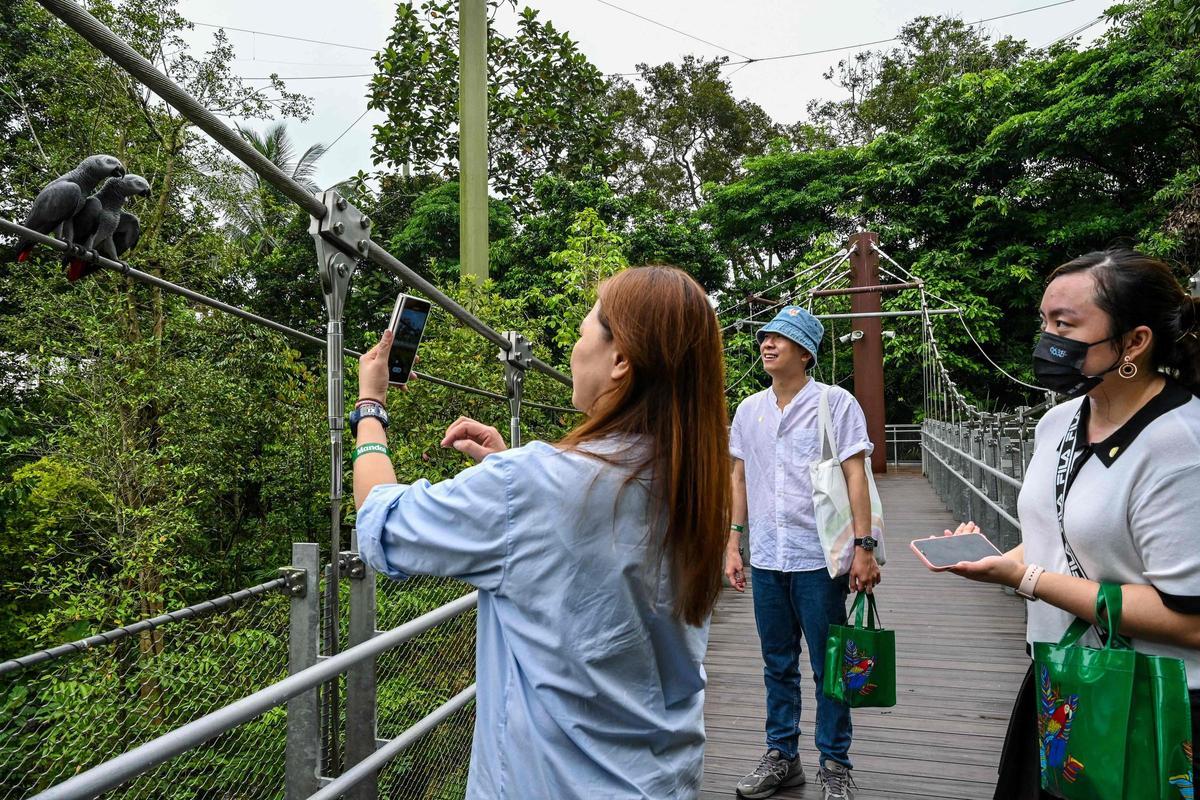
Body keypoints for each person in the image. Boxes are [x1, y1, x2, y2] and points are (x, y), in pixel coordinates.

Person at [350, 266, 731, 799]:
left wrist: (371, 408)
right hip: (661, 780)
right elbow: (594, 536)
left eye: (581, 334)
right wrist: (509, 468)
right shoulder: (695, 479)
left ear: (620, 360)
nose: (573, 349)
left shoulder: (534, 486)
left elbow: (378, 520)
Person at [928, 248, 1200, 797]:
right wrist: (1001, 561)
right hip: (1063, 679)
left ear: (1134, 342)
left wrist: (1025, 581)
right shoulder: (1060, 421)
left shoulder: (1181, 445)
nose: (1046, 339)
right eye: (1044, 321)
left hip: (1153, 701)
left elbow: (1189, 618)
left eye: (1065, 324)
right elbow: (1056, 534)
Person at [724, 305, 882, 800]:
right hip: (768, 558)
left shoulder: (836, 404)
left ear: (805, 352)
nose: (767, 344)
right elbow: (739, 477)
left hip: (821, 558)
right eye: (766, 337)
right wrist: (734, 541)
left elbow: (856, 474)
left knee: (830, 665)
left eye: (781, 339)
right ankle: (782, 757)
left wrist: (865, 547)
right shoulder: (748, 410)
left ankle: (835, 764)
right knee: (777, 664)